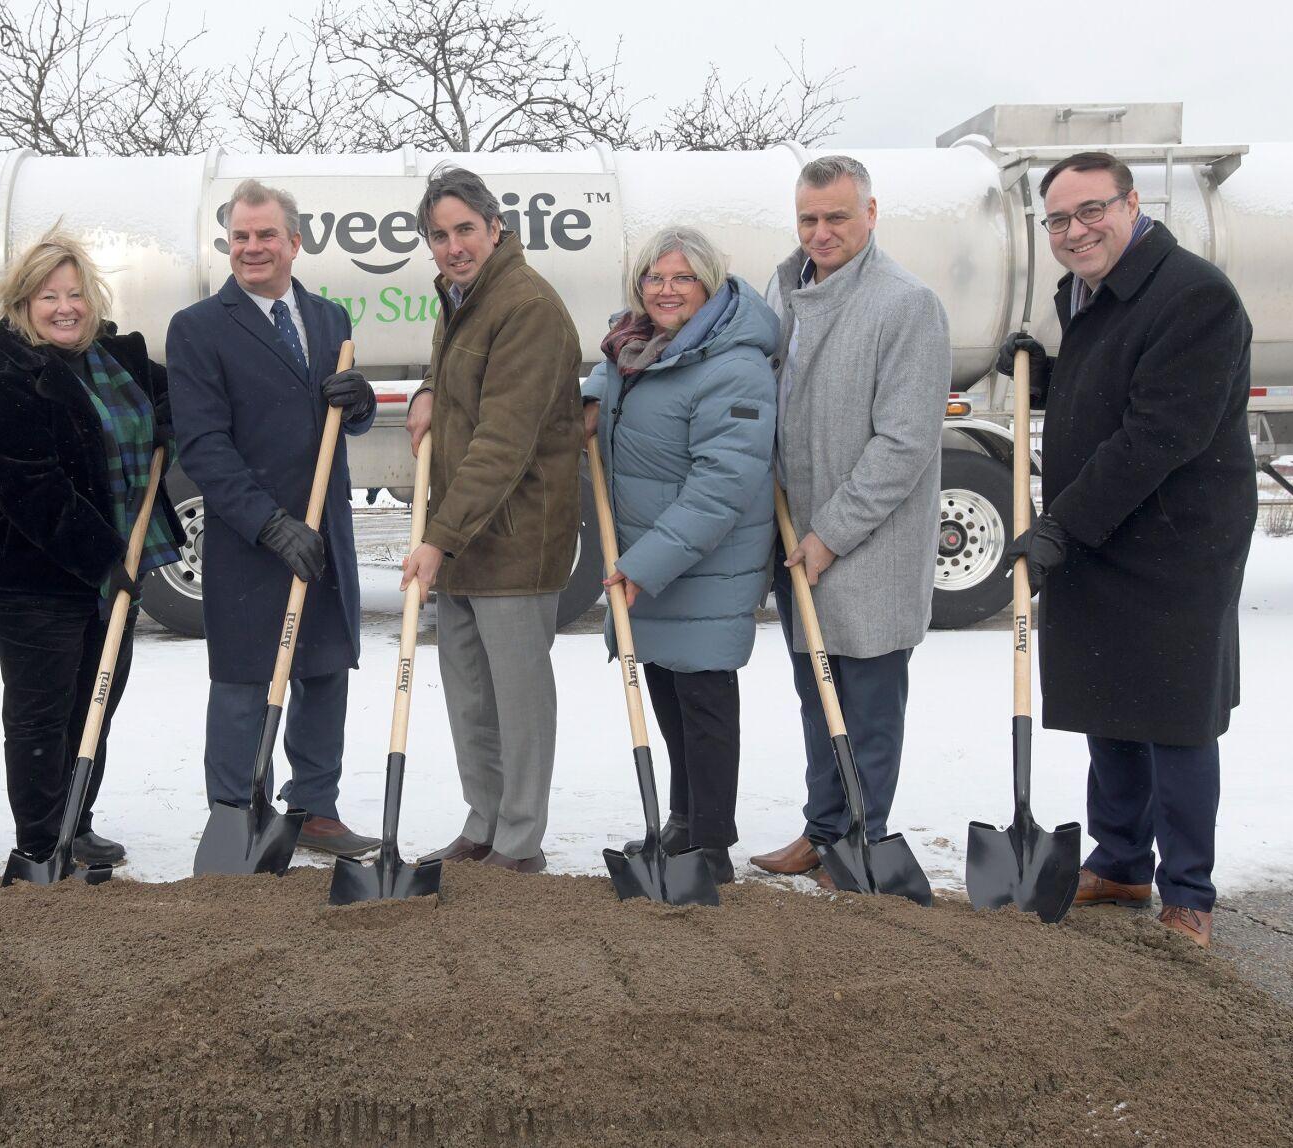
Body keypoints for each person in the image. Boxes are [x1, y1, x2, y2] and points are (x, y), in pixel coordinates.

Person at [997, 152, 1255, 948]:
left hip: (1177, 542)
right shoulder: (1091, 293)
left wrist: (1061, 526)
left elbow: (1158, 434)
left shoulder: (1194, 295)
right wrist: (1049, 378)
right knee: (1109, 700)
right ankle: (1119, 861)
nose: (1076, 231)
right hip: (1104, 528)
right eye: (1059, 220)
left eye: (1092, 211)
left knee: (1176, 716)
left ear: (1132, 204)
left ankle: (1189, 892)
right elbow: (1115, 386)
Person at [0, 230, 184, 867]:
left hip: (112, 565)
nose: (65, 308)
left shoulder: (117, 360)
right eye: (48, 296)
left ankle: (75, 822)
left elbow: (176, 391)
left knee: (94, 701)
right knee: (42, 712)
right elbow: (34, 491)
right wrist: (106, 559)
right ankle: (39, 842)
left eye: (75, 294)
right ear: (23, 304)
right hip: (29, 574)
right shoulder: (5, 381)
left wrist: (168, 415)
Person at [751, 155, 949, 888]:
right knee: (817, 693)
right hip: (795, 532)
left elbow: (904, 443)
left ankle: (863, 840)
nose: (821, 232)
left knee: (865, 704)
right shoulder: (783, 289)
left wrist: (831, 535)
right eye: (808, 218)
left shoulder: (906, 304)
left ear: (871, 213)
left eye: (837, 216)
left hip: (866, 544)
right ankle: (822, 830)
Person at [166, 179, 380, 858]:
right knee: (243, 679)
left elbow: (339, 420)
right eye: (240, 236)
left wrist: (362, 404)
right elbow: (203, 445)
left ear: (294, 241)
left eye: (265, 235)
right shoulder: (199, 328)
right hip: (249, 536)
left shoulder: (329, 319)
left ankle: (315, 808)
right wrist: (268, 524)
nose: (251, 248)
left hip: (323, 530)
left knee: (323, 669)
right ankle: (235, 812)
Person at [580, 227, 779, 885]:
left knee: (704, 699)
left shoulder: (734, 365)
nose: (666, 290)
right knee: (667, 689)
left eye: (682, 278)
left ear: (710, 284)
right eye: (655, 278)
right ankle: (685, 820)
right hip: (654, 554)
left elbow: (723, 483)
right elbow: (617, 377)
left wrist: (647, 564)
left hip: (703, 562)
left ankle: (711, 846)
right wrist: (591, 397)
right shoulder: (636, 346)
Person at [402, 166, 583, 875]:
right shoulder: (462, 299)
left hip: (514, 539)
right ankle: (482, 823)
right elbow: (459, 382)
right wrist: (425, 388)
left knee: (518, 700)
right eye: (439, 235)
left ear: (496, 227)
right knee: (471, 698)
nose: (453, 246)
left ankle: (518, 840)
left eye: (465, 230)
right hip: (467, 538)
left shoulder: (526, 306)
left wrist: (438, 538)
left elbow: (503, 442)